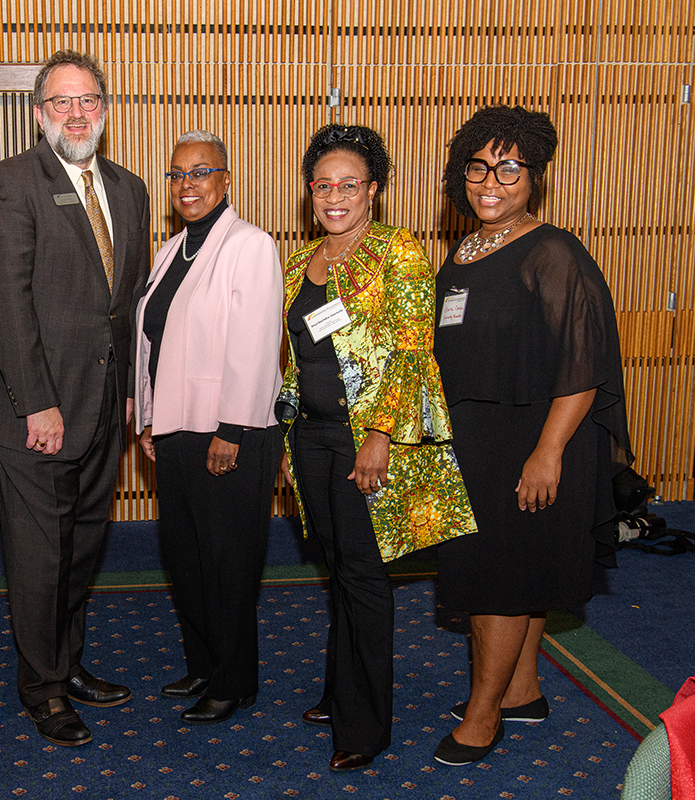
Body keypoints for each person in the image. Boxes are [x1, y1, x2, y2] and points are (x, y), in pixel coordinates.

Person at [433, 106, 631, 766]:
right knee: (515, 568)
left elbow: (585, 362)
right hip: (479, 437)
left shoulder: (553, 252)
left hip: (533, 438)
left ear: (534, 176)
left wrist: (548, 453)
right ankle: (520, 691)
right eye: (478, 167)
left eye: (508, 168)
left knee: (498, 577)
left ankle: (483, 716)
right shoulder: (464, 250)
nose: (490, 182)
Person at [0, 49, 151, 747]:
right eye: (61, 102)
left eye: (88, 101)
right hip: (37, 413)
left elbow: (129, 304)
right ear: (39, 112)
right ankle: (41, 687)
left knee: (81, 548)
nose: (76, 114)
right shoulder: (7, 184)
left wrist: (133, 393)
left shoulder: (129, 189)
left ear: (105, 109)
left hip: (104, 406)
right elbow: (6, 304)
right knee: (40, 558)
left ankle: (68, 664)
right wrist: (35, 401)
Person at [278, 124, 476, 772]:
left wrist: (380, 436)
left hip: (363, 439)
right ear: (310, 191)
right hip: (311, 437)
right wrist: (286, 438)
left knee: (363, 577)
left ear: (374, 191)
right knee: (337, 568)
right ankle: (340, 693)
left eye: (349, 185)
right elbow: (295, 361)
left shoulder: (399, 250)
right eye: (323, 185)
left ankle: (365, 725)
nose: (335, 196)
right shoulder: (299, 263)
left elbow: (414, 348)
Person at [134, 130, 283, 724]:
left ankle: (234, 680)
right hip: (176, 429)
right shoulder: (172, 248)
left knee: (228, 562)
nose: (187, 184)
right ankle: (203, 662)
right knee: (186, 556)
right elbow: (154, 341)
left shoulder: (251, 245)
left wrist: (233, 428)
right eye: (176, 175)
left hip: (229, 431)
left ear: (225, 179)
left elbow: (255, 344)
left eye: (200, 172)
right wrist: (149, 415)